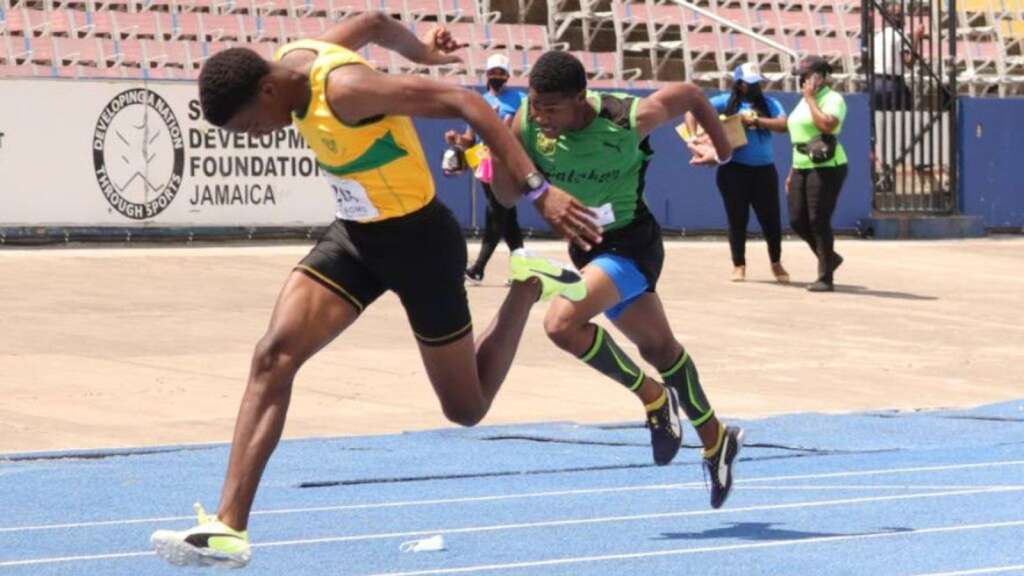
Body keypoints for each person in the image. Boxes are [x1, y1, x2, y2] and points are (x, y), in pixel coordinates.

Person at [149, 12, 603, 569]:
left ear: (268, 89)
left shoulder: (346, 90)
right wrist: (422, 51)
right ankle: (229, 528)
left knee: (466, 408)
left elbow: (469, 105)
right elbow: (371, 22)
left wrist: (538, 191)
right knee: (273, 356)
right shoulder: (298, 58)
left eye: (249, 126)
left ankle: (525, 286)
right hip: (357, 237)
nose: (258, 135)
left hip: (420, 243)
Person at [492, 51, 745, 510]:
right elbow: (506, 196)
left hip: (631, 244)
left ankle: (653, 399)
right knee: (660, 350)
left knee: (561, 324)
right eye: (537, 105)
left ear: (580, 99)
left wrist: (722, 152)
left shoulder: (626, 118)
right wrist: (500, 150)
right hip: (587, 250)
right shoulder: (527, 121)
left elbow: (689, 93)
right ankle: (716, 440)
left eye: (553, 109)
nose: (543, 117)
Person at [684, 63, 790, 283]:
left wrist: (756, 121)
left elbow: (783, 125)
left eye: (757, 83)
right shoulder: (726, 102)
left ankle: (776, 263)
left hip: (764, 170)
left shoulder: (769, 103)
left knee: (771, 219)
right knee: (737, 218)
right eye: (750, 84)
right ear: (740, 84)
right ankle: (739, 265)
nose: (755, 87)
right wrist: (693, 136)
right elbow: (692, 109)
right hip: (734, 170)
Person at [444, 54, 526, 285]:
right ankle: (522, 269)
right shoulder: (479, 102)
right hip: (485, 164)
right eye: (493, 72)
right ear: (487, 74)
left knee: (496, 214)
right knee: (507, 217)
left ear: (508, 75)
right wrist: (456, 139)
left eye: (501, 72)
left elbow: (520, 131)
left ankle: (477, 268)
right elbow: (470, 139)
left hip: (507, 164)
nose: (497, 76)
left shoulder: (520, 99)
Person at [786, 56, 849, 292]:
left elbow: (827, 125)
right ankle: (830, 258)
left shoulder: (833, 99)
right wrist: (792, 171)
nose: (801, 81)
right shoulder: (804, 101)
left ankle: (825, 277)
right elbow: (798, 136)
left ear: (820, 76)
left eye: (805, 76)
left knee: (818, 219)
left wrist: (811, 99)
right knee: (796, 219)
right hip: (802, 165)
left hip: (828, 166)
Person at [871, 1, 926, 111]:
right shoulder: (900, 36)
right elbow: (909, 62)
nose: (903, 19)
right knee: (901, 120)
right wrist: (916, 38)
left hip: (876, 84)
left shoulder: (877, 37)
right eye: (899, 15)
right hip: (893, 85)